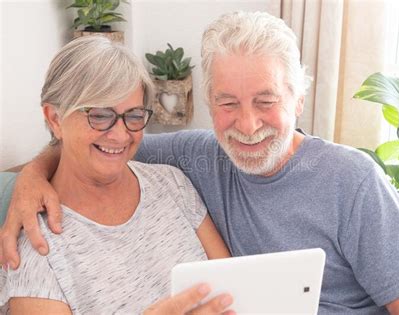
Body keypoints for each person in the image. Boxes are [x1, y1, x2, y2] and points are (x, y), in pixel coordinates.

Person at [1, 11, 399, 314]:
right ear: (208, 103)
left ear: (299, 99)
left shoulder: (352, 180)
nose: (247, 126)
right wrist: (31, 179)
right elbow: (100, 148)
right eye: (228, 102)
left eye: (266, 101)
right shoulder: (189, 159)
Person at [0, 36, 235, 315]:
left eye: (134, 115)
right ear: (54, 119)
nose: (121, 134)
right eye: (99, 115)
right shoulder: (38, 246)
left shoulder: (172, 184)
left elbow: (234, 290)